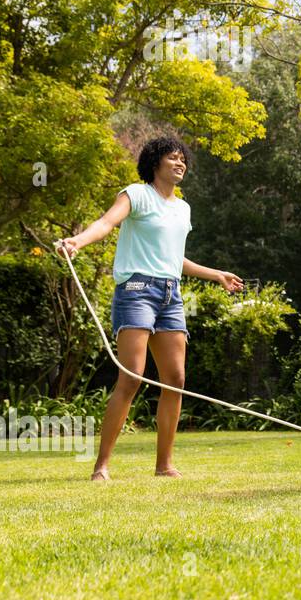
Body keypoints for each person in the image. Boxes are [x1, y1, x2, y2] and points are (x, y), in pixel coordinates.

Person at [57, 136, 244, 481]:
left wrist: (215, 274)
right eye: (172, 158)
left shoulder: (182, 209)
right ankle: (101, 467)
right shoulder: (136, 194)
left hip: (170, 295)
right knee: (131, 377)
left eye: (183, 159)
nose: (180, 163)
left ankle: (164, 465)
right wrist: (77, 242)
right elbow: (106, 224)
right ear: (155, 163)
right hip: (137, 290)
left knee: (175, 380)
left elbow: (173, 258)